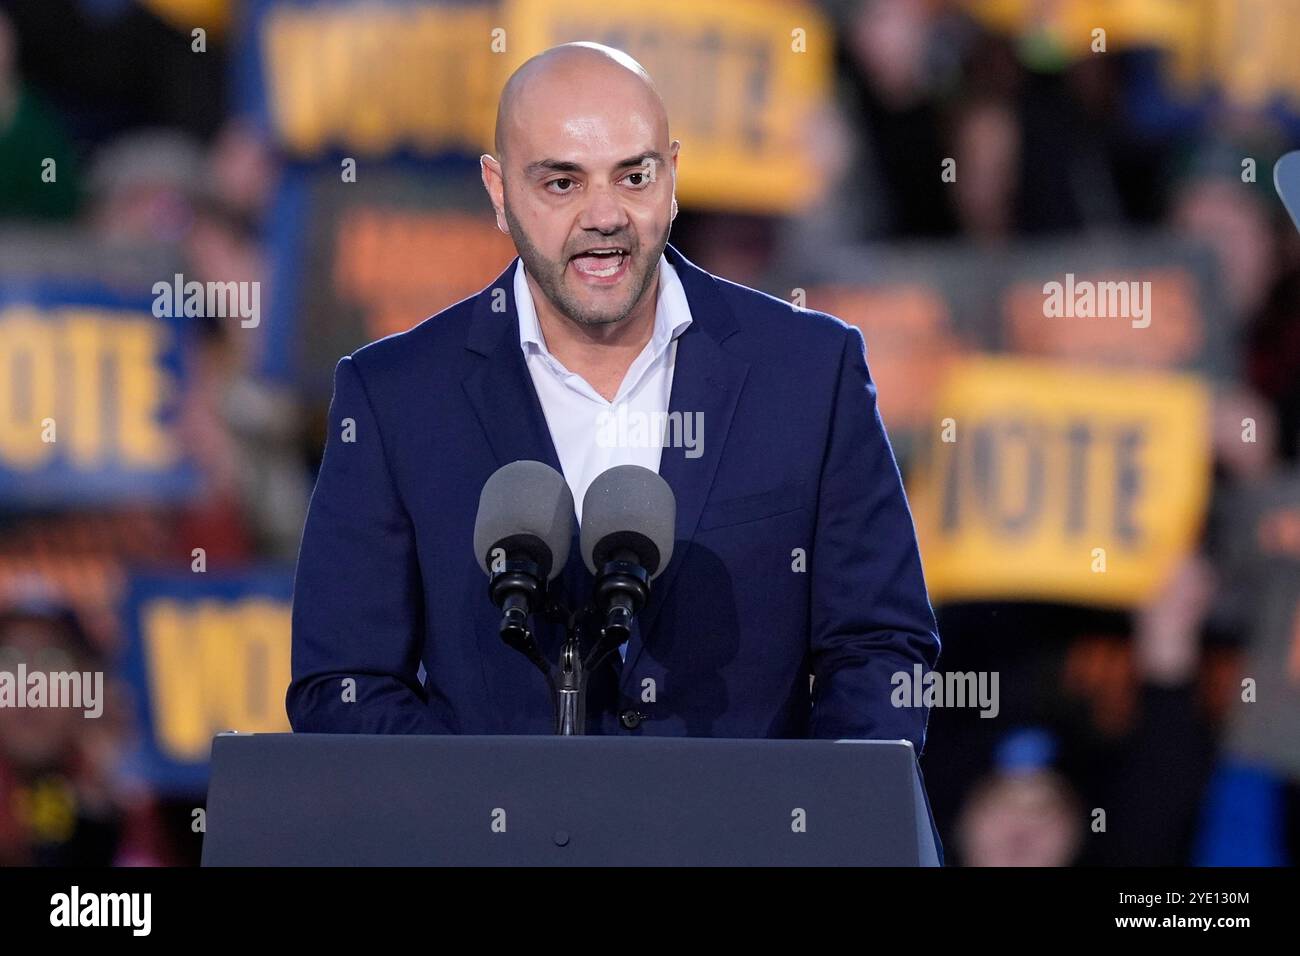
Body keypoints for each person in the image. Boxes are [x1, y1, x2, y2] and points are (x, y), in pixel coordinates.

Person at [287, 43, 940, 751]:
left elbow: (880, 646)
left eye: (633, 176)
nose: (605, 215)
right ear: (499, 193)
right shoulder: (395, 398)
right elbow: (344, 686)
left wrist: (817, 820)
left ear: (674, 177)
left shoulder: (809, 372)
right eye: (562, 184)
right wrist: (491, 813)